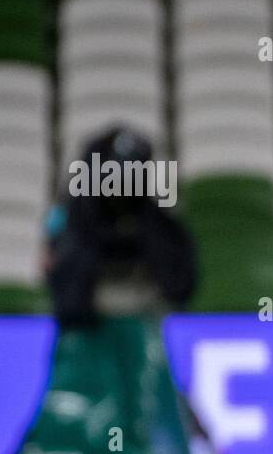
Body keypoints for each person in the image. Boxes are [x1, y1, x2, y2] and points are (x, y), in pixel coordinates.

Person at [46, 125, 195, 327]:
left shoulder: (151, 217)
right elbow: (58, 264)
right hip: (85, 324)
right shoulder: (73, 216)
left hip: (141, 319)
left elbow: (180, 280)